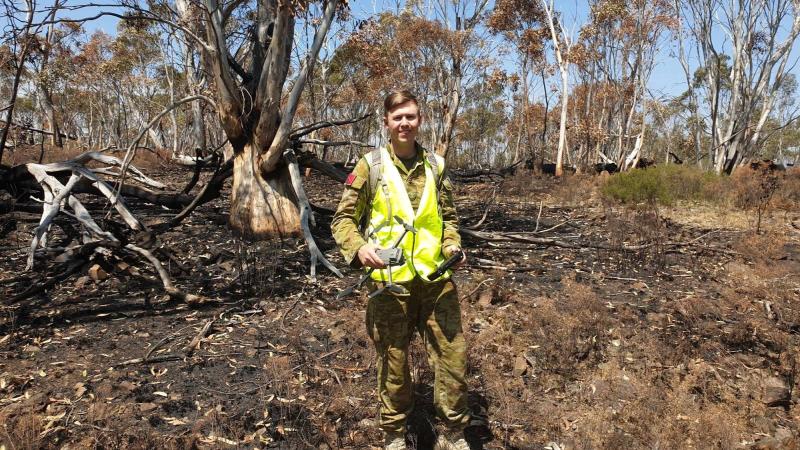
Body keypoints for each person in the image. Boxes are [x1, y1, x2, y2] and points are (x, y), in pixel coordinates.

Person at [331, 90, 473, 449]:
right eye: (398, 117)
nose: (404, 123)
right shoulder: (371, 166)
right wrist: (359, 248)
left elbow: (449, 219)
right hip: (389, 284)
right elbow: (342, 220)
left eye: (410, 116)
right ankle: (394, 435)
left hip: (436, 280)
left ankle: (453, 433)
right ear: (387, 122)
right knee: (393, 363)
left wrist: (452, 245)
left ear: (419, 119)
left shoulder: (436, 166)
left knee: (453, 358)